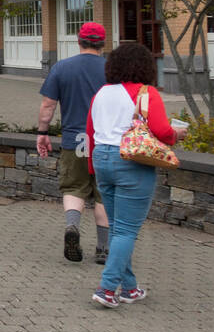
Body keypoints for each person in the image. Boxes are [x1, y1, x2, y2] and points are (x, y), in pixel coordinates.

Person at [84, 42, 187, 308]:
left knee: (118, 228)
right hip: (131, 161)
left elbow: (91, 130)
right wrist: (178, 134)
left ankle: (129, 288)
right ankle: (107, 289)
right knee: (127, 231)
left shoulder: (101, 93)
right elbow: (163, 131)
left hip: (102, 158)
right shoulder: (147, 93)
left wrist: (93, 169)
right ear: (145, 67)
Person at [36, 22, 110, 263]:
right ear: (103, 43)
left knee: (73, 188)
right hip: (106, 141)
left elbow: (48, 105)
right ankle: (103, 248)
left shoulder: (62, 67)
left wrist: (42, 132)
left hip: (74, 140)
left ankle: (72, 227)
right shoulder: (113, 69)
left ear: (79, 41)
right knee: (104, 194)